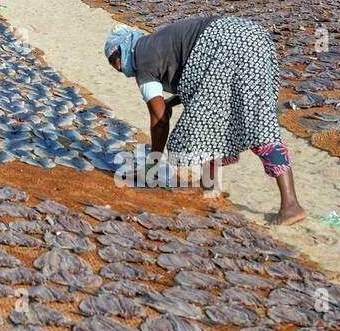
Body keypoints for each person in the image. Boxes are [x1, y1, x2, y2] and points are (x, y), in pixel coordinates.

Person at [103, 17, 306, 226]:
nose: (117, 69)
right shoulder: (154, 43)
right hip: (251, 37)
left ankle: (290, 205)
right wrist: (169, 104)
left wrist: (152, 166)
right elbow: (199, 82)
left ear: (123, 50)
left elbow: (159, 119)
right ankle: (210, 186)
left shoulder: (141, 62)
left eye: (114, 62)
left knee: (205, 124)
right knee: (250, 118)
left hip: (222, 45)